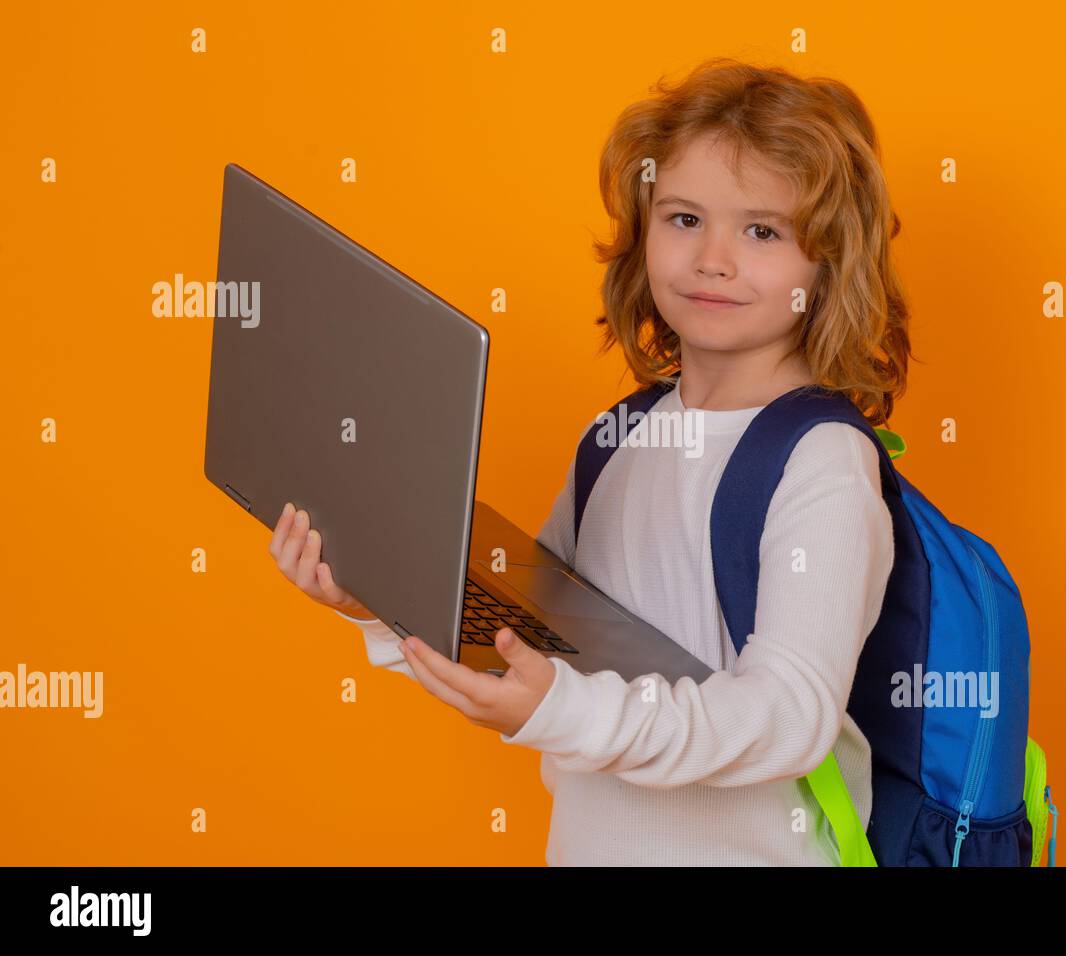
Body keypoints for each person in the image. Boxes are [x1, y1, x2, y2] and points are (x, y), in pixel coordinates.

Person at [268, 56, 912, 865]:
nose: (713, 258)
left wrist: (567, 713)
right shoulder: (617, 437)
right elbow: (530, 637)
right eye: (683, 219)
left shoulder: (820, 461)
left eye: (761, 231)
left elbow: (788, 719)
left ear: (828, 265)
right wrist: (374, 596)